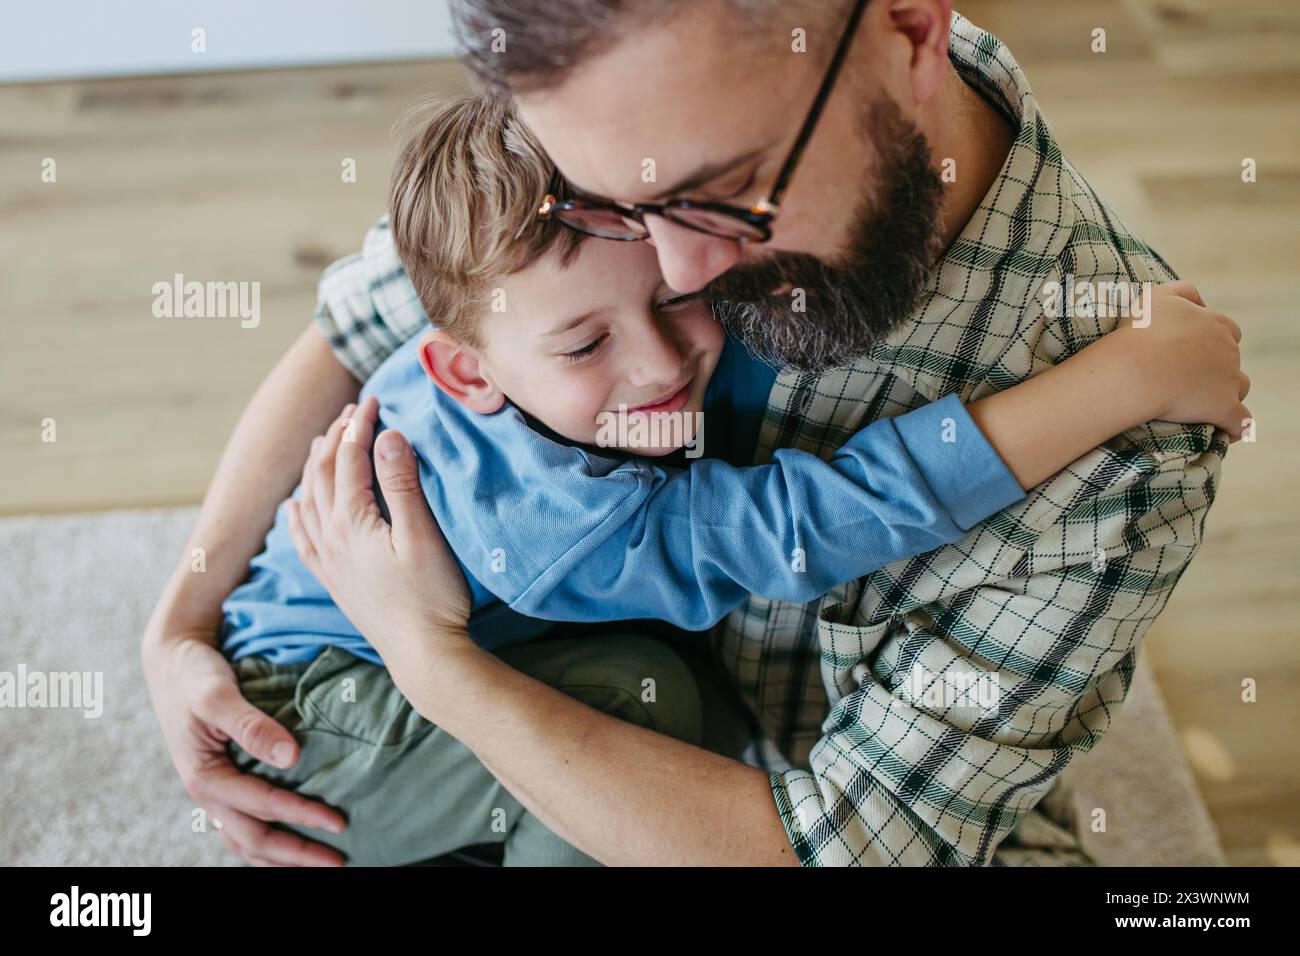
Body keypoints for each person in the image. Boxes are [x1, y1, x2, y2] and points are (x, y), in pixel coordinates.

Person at [143, 2, 1251, 865]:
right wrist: (178, 626)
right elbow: (355, 322)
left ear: (910, 31)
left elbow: (841, 846)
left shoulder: (1128, 466)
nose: (678, 288)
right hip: (341, 687)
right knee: (639, 692)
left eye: (727, 198)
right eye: (626, 207)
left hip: (729, 742)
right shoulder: (612, 131)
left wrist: (1116, 384)